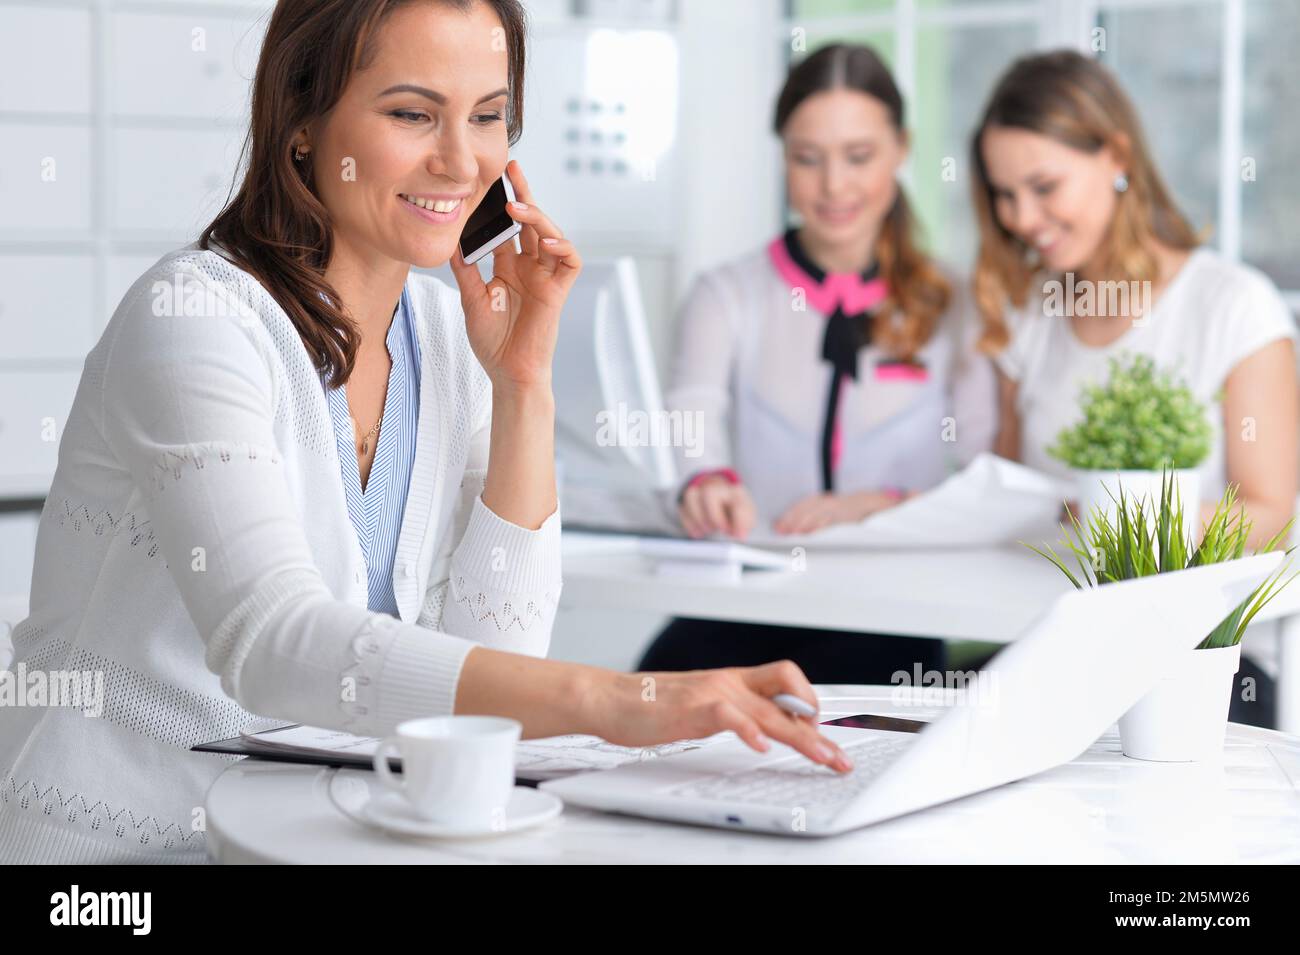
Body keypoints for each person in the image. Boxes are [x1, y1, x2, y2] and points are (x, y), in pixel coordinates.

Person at [0, 0, 850, 865]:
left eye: (487, 116)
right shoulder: (194, 318)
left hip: (318, 840)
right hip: (117, 861)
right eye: (412, 114)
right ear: (302, 121)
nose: (460, 159)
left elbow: (493, 669)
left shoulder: (448, 337)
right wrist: (620, 699)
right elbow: (272, 641)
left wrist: (521, 385)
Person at [638, 43, 996, 683]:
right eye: (808, 159)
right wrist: (704, 482)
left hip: (890, 626)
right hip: (739, 614)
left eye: (859, 157)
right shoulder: (727, 294)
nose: (834, 186)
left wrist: (882, 504)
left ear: (902, 150)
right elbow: (688, 422)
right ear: (783, 156)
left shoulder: (955, 301)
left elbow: (986, 481)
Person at [971, 50, 1299, 727]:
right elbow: (1004, 498)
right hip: (1044, 642)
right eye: (1004, 195)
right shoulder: (1032, 311)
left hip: (1204, 655)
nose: (1022, 218)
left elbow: (1270, 515)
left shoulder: (1232, 306)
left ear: (1117, 156)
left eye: (1043, 186)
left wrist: (1117, 515)